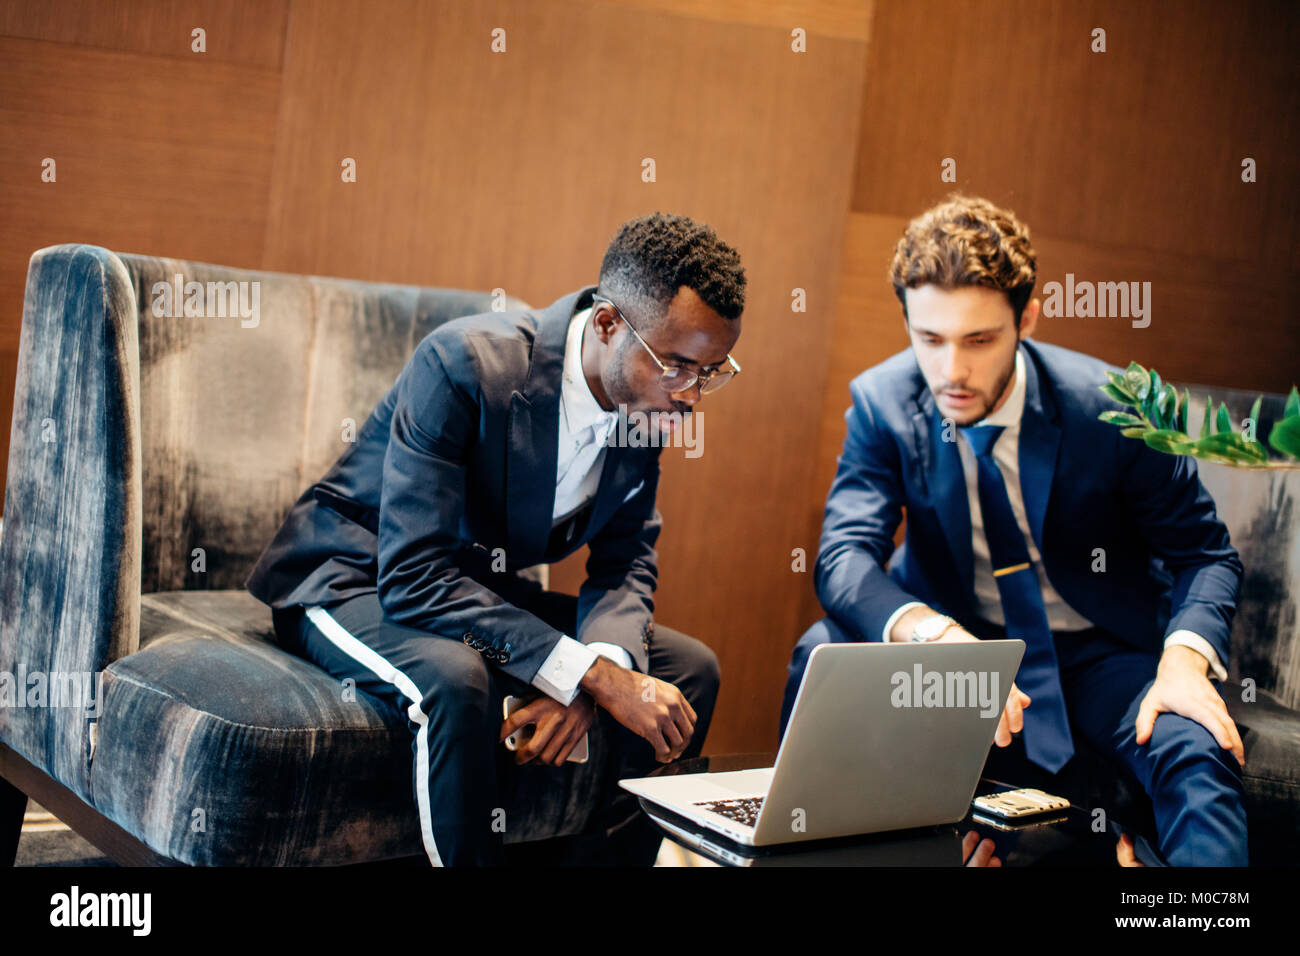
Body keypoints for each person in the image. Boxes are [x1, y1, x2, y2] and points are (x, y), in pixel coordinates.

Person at [245, 212, 745, 866]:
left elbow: (625, 563)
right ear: (606, 324)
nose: (691, 400)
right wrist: (584, 672)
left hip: (471, 586)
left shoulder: (647, 409)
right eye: (679, 366)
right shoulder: (464, 363)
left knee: (690, 670)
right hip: (352, 574)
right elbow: (414, 575)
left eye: (711, 372)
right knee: (456, 681)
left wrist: (602, 674)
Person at [782, 195, 1247, 866]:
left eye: (979, 339)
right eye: (929, 339)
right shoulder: (884, 405)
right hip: (952, 636)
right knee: (822, 649)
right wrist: (932, 635)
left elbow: (1206, 554)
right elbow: (844, 559)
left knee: (1193, 739)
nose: (951, 371)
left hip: (1095, 653)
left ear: (1025, 319)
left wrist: (1183, 663)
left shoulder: (1118, 410)